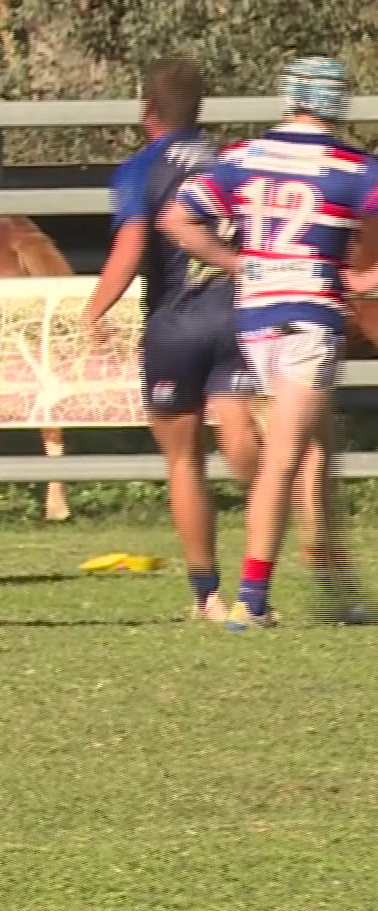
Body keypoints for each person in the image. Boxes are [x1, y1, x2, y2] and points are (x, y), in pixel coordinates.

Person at [161, 56, 378, 629]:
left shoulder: (241, 157)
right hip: (310, 323)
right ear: (335, 101)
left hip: (255, 321)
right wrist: (364, 280)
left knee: (317, 454)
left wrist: (237, 263)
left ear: (288, 98)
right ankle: (252, 602)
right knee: (285, 460)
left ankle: (336, 588)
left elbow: (177, 220)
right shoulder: (356, 168)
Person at [82, 58, 261, 622]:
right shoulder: (232, 161)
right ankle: (259, 580)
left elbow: (133, 246)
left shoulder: (141, 169)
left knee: (185, 463)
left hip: (174, 328)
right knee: (244, 442)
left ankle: (207, 594)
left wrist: (94, 310)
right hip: (237, 319)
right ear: (200, 108)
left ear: (148, 110)